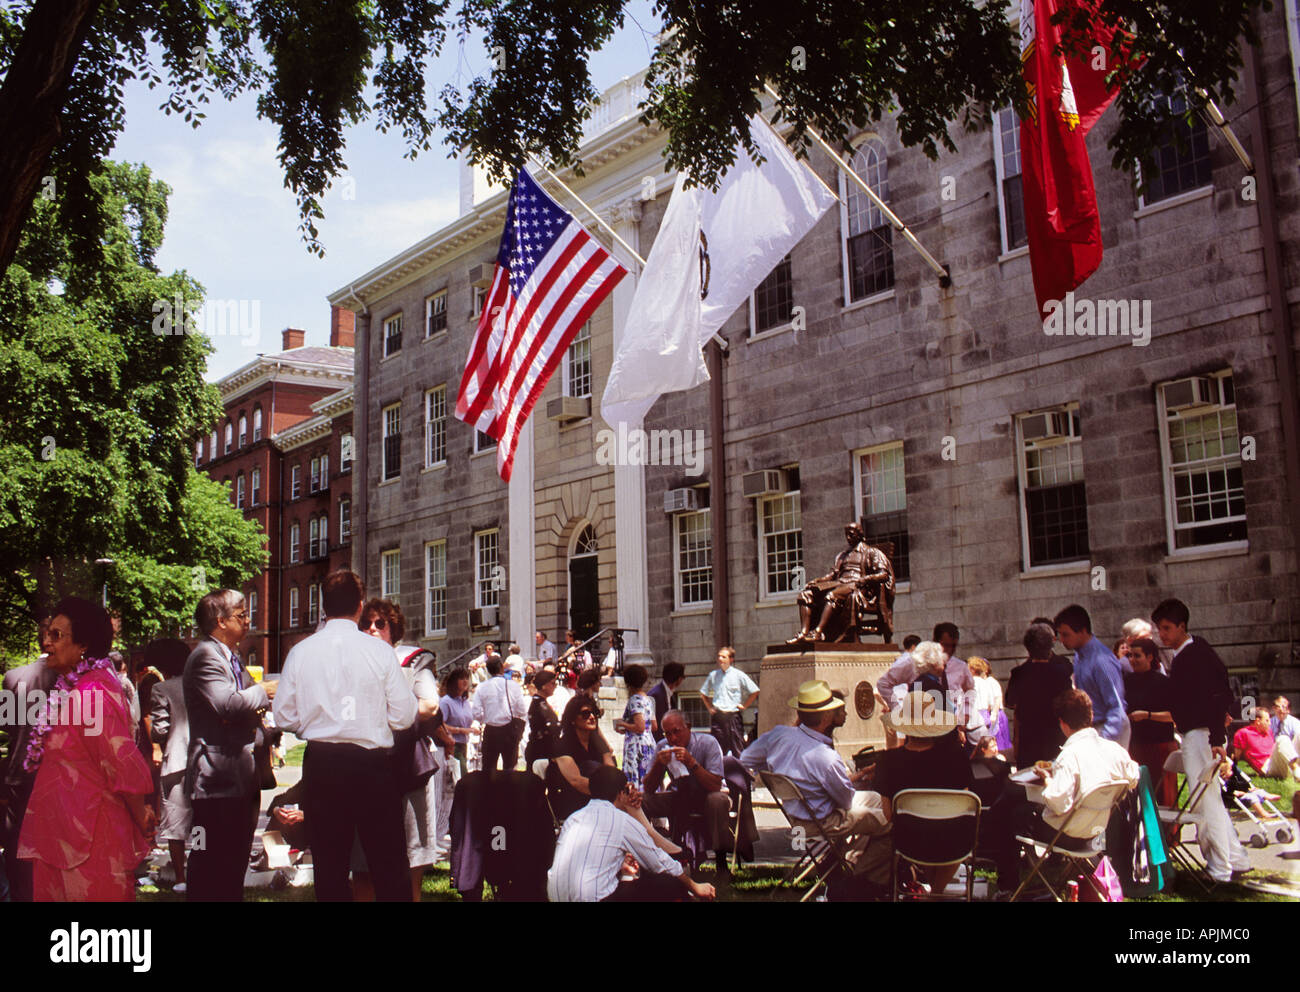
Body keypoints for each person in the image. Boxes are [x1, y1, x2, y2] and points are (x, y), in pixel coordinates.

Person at [274, 570, 418, 901]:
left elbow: (283, 714)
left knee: (330, 865)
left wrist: (316, 722)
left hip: (323, 764)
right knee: (389, 864)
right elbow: (405, 715)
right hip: (371, 765)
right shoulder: (379, 652)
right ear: (360, 605)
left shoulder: (301, 652)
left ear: (323, 607)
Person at [17, 598, 156, 901]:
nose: (46, 642)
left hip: (90, 840)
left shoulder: (92, 694)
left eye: (57, 635)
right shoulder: (75, 687)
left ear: (83, 645)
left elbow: (120, 764)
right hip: (63, 833)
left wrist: (140, 813)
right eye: (47, 633)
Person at [987, 689, 1139, 895]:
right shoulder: (1113, 750)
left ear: (1062, 723)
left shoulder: (1070, 756)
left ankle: (1008, 884)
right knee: (1012, 805)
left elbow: (1059, 803)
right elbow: (1133, 776)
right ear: (1091, 716)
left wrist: (1049, 780)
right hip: (1096, 827)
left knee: (1006, 812)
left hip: (1066, 832)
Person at [182, 589, 274, 901]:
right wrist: (262, 691)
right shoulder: (205, 656)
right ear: (220, 621)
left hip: (238, 779)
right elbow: (230, 704)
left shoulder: (230, 657)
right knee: (208, 859)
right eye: (242, 615)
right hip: (213, 784)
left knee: (233, 864)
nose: (249, 620)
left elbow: (242, 706)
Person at [1152, 597, 1251, 883]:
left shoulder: (1193, 655)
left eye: (1167, 628)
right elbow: (1220, 689)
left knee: (1206, 803)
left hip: (1202, 735)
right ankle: (1235, 858)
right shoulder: (1194, 652)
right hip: (1199, 733)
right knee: (1210, 802)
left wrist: (1219, 736)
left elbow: (1218, 694)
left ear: (1182, 626)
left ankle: (1220, 868)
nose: (1163, 634)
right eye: (1160, 629)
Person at [740, 680, 886, 864]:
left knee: (875, 799)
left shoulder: (778, 735)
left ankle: (848, 860)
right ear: (826, 718)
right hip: (822, 823)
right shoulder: (826, 757)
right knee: (889, 818)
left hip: (797, 817)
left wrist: (769, 770)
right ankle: (860, 869)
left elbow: (745, 760)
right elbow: (846, 801)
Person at [359, 598, 444, 900]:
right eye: (366, 623)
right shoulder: (353, 664)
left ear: (392, 629)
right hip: (365, 770)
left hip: (405, 767)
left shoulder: (413, 663)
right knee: (364, 862)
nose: (372, 628)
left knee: (410, 855)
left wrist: (383, 712)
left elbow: (430, 705)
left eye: (380, 623)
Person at [547, 766, 716, 902]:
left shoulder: (573, 819)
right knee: (668, 883)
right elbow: (658, 862)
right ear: (621, 794)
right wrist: (694, 886)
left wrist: (618, 864)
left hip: (556, 896)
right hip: (594, 898)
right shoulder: (621, 820)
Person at [874, 690, 975, 892]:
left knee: (927, 832)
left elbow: (888, 814)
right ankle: (936, 894)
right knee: (951, 829)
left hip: (908, 841)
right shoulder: (956, 756)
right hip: (955, 841)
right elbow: (967, 807)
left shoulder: (888, 761)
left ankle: (934, 894)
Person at [0, 619, 55, 902]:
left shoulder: (13, 677)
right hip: (56, 775)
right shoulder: (70, 677)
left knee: (18, 841)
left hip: (19, 771)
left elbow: (6, 725)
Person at [642, 710, 732, 874]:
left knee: (717, 800)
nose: (673, 738)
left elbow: (715, 785)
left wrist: (692, 763)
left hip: (708, 794)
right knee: (641, 800)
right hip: (680, 795)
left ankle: (721, 858)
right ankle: (647, 855)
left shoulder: (707, 743)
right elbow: (648, 788)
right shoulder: (663, 746)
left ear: (688, 727)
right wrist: (659, 765)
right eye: (668, 734)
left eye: (676, 732)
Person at [876, 625, 980, 743]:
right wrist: (897, 708)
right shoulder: (914, 662)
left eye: (954, 646)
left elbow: (970, 690)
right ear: (936, 642)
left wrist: (964, 716)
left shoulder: (960, 667)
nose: (949, 650)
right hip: (921, 731)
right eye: (945, 645)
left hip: (949, 729)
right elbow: (883, 683)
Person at [147, 638, 193, 894]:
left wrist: (155, 741)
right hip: (205, 762)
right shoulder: (202, 685)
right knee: (200, 823)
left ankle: (179, 876)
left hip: (176, 762)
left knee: (176, 825)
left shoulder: (162, 689)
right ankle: (198, 870)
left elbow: (160, 728)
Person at [1054, 604, 1129, 747]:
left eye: (1065, 634)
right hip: (1092, 730)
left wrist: (1103, 741)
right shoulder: (1079, 657)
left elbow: (1117, 708)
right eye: (1060, 635)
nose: (1062, 640)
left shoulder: (1102, 661)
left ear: (1082, 631)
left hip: (1108, 730)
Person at [1005, 623, 1074, 768]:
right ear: (1051, 645)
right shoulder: (1062, 673)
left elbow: (1013, 705)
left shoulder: (1019, 673)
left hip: (1029, 741)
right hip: (1055, 739)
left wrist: (1016, 741)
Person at [1124, 636, 1178, 806]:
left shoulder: (1163, 683)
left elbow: (1174, 715)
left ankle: (1168, 833)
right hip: (1135, 746)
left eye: (1137, 656)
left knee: (1163, 797)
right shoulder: (1125, 682)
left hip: (1160, 747)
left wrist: (1147, 715)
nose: (1132, 660)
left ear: (1149, 657)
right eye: (1130, 656)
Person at [472, 655, 528, 771]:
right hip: (509, 729)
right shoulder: (513, 685)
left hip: (490, 730)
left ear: (488, 670)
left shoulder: (481, 687)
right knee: (510, 767)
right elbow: (522, 710)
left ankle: (491, 789)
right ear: (502, 668)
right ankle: (508, 789)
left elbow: (476, 713)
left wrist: (487, 717)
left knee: (488, 768)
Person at [700, 646, 759, 757]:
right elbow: (703, 694)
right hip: (718, 718)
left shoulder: (738, 675)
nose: (720, 659)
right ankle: (719, 773)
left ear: (731, 659)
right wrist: (709, 708)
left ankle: (741, 772)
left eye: (724, 656)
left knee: (738, 749)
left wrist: (745, 706)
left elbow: (755, 691)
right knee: (717, 750)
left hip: (733, 718)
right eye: (719, 656)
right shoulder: (713, 675)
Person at [615, 664, 657, 788]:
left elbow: (640, 727)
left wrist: (623, 724)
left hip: (636, 746)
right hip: (649, 743)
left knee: (635, 782)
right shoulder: (648, 699)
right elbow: (653, 726)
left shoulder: (635, 700)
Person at [1234, 706, 1300, 782]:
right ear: (1258, 721)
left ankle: (1295, 769)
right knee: (1283, 738)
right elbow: (1237, 756)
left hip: (1279, 762)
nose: (1270, 723)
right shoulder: (1243, 733)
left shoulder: (1269, 732)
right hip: (1267, 768)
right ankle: (1297, 772)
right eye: (1267, 720)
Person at [969, 657, 1011, 753]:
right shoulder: (984, 682)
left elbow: (997, 699)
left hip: (995, 714)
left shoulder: (991, 681)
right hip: (989, 713)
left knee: (996, 742)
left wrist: (994, 714)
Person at [524, 669, 562, 770]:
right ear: (544, 686)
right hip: (541, 751)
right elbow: (552, 727)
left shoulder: (540, 702)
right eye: (553, 683)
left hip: (541, 749)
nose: (555, 686)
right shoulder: (540, 705)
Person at [440, 668, 473, 777]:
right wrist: (460, 730)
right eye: (461, 678)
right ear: (454, 681)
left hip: (464, 744)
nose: (465, 681)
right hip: (452, 745)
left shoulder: (465, 702)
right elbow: (439, 724)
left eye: (466, 678)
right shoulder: (446, 701)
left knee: (460, 778)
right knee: (462, 777)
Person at [647, 662, 686, 742]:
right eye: (682, 677)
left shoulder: (669, 694)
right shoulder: (655, 695)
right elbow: (655, 726)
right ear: (678, 679)